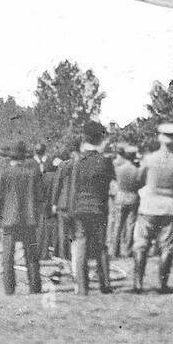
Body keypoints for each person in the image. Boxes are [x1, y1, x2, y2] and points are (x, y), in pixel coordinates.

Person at [131, 124, 173, 293]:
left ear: (160, 138)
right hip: (171, 207)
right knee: (167, 246)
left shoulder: (148, 159)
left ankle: (138, 283)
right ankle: (162, 284)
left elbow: (138, 178)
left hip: (149, 205)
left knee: (141, 244)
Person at [0, 140, 44, 295]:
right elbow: (40, 197)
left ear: (10, 157)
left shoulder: (5, 172)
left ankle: (9, 288)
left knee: (7, 256)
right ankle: (35, 287)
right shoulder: (32, 172)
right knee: (31, 256)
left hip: (9, 219)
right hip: (29, 219)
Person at [69, 122, 117, 294]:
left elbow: (73, 188)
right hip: (98, 207)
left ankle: (82, 287)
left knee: (81, 244)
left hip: (80, 208)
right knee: (100, 246)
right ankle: (104, 284)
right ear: (99, 138)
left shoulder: (77, 162)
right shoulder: (104, 161)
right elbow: (109, 185)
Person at [110, 144, 140, 258]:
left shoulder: (119, 168)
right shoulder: (136, 170)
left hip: (120, 196)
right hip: (133, 197)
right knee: (131, 225)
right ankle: (127, 250)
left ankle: (115, 250)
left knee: (118, 225)